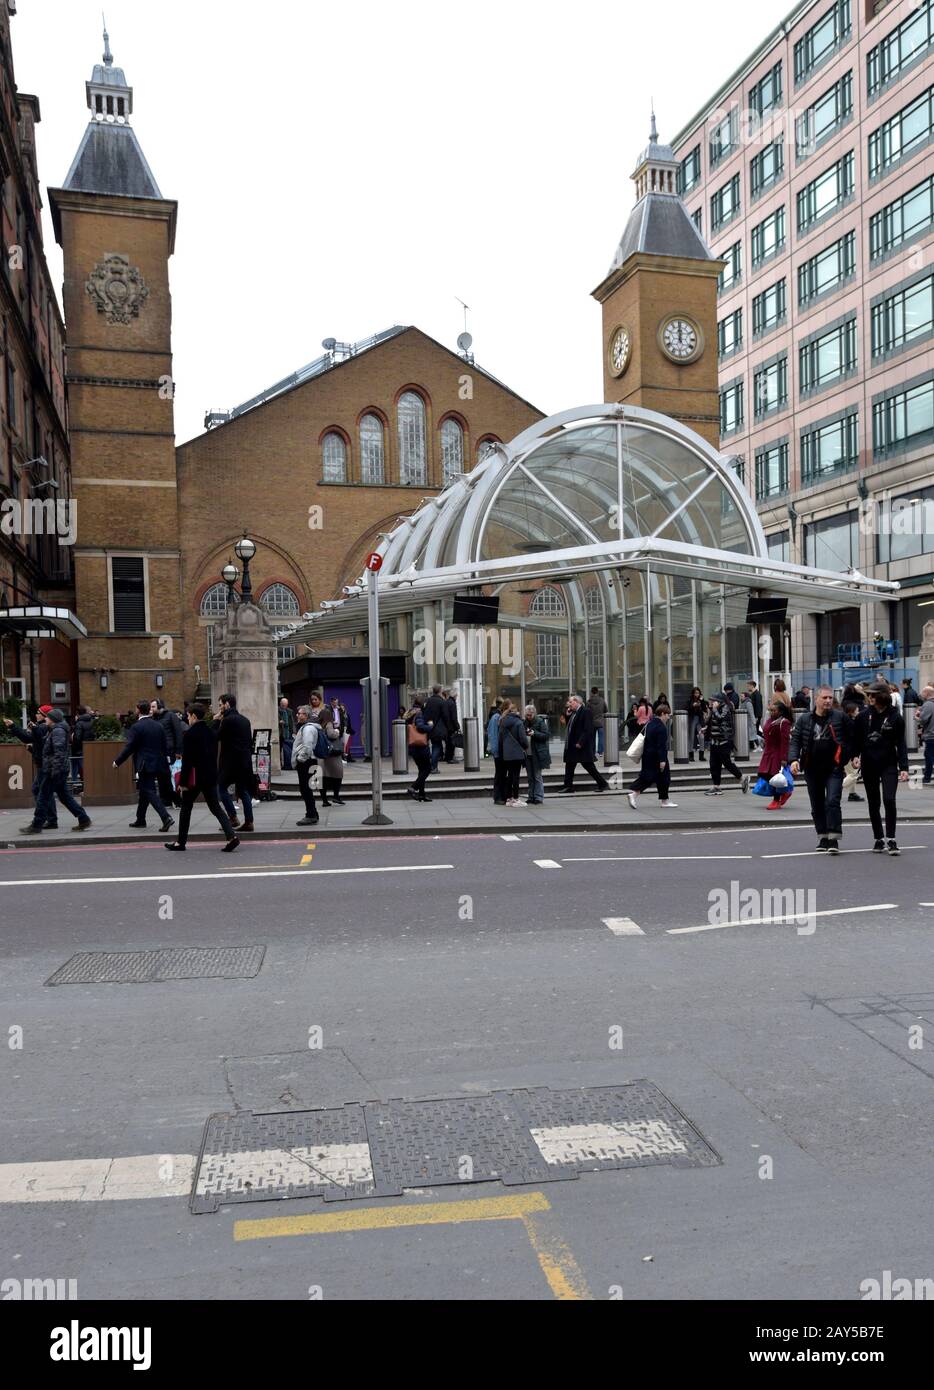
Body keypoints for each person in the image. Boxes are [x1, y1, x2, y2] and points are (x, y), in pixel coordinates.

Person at [164, 704, 239, 852]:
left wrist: (183, 782)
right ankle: (231, 836)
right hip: (210, 777)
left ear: (194, 716)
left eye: (188, 715)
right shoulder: (211, 733)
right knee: (216, 807)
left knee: (186, 808)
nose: (187, 718)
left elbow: (187, 761)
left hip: (194, 778)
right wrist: (216, 720)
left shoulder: (190, 734)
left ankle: (181, 842)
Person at [789, 684, 853, 854]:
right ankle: (822, 836)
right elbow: (795, 740)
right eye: (824, 697)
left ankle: (834, 838)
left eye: (830, 698)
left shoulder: (840, 717)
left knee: (832, 801)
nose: (828, 700)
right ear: (816, 699)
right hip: (812, 768)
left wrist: (851, 756)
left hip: (834, 768)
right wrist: (793, 759)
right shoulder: (804, 719)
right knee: (817, 804)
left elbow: (851, 737)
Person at [852, 680, 909, 855]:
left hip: (889, 764)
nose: (869, 697)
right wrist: (855, 756)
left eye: (873, 695)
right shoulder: (863, 716)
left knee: (889, 799)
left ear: (882, 696)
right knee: (874, 802)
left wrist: (904, 766)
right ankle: (878, 838)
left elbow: (901, 742)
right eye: (868, 694)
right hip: (869, 764)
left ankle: (891, 838)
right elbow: (857, 739)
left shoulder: (895, 717)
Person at [21, 708, 93, 834]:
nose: (46, 719)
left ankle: (36, 825)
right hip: (58, 769)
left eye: (48, 717)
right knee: (64, 796)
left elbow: (59, 752)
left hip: (54, 770)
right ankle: (84, 819)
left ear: (53, 719)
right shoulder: (55, 730)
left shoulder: (58, 731)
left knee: (43, 796)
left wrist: (54, 771)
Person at [115, 700, 174, 832]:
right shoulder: (158, 726)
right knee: (144, 791)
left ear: (138, 710)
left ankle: (166, 817)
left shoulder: (136, 727)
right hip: (159, 763)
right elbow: (165, 746)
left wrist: (117, 761)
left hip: (145, 764)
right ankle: (140, 819)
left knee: (149, 791)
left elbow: (129, 747)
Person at [3, 705, 57, 829]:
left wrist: (13, 726)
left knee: (39, 790)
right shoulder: (43, 727)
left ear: (45, 716)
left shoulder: (43, 727)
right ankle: (51, 819)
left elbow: (29, 737)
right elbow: (38, 742)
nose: (36, 715)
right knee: (44, 791)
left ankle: (45, 819)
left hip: (44, 764)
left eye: (39, 713)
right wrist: (33, 749)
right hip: (43, 763)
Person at [215, 694, 256, 831]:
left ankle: (232, 818)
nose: (219, 707)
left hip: (230, 761)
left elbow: (216, 737)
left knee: (221, 788)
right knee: (243, 791)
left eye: (220, 705)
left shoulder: (227, 720)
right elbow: (249, 741)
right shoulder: (245, 720)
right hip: (244, 761)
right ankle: (249, 822)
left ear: (227, 704)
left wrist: (216, 720)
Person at [558, 694, 610, 794]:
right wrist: (567, 715)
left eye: (571, 702)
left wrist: (580, 742)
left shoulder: (586, 712)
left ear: (577, 702)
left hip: (581, 745)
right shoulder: (574, 713)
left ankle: (602, 783)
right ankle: (568, 786)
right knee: (570, 765)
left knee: (589, 766)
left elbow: (588, 729)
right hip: (573, 744)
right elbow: (571, 726)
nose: (569, 704)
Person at [627, 703, 676, 809]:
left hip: (647, 756)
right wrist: (662, 760)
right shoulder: (661, 728)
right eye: (667, 715)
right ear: (662, 714)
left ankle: (664, 801)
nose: (668, 717)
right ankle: (633, 794)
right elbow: (661, 746)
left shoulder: (650, 723)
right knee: (650, 778)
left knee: (660, 778)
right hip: (657, 757)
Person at [703, 693, 749, 797]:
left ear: (718, 702)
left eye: (712, 700)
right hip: (715, 742)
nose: (710, 702)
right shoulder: (714, 710)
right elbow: (712, 723)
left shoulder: (725, 709)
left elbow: (720, 719)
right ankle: (716, 787)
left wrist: (714, 710)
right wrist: (705, 729)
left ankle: (742, 778)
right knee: (714, 765)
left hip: (724, 742)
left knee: (727, 763)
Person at [758, 698, 793, 810]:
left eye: (775, 711)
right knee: (763, 774)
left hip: (777, 753)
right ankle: (785, 792)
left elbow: (785, 741)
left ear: (781, 712)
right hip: (768, 752)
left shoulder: (784, 722)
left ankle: (776, 799)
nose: (772, 712)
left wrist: (784, 758)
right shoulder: (770, 720)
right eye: (771, 710)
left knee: (775, 776)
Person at [310, 696, 345, 805]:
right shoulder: (329, 724)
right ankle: (336, 796)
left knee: (322, 778)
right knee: (338, 775)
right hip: (332, 756)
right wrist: (337, 732)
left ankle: (324, 800)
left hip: (321, 755)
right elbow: (331, 735)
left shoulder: (317, 725)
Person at [150, 698, 185, 808]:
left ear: (160, 706)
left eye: (153, 707)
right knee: (162, 777)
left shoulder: (170, 716)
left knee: (170, 777)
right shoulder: (154, 719)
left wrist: (178, 750)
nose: (151, 709)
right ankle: (166, 800)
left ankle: (176, 800)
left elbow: (178, 733)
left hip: (170, 752)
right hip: (159, 752)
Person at [291, 705, 320, 825]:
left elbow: (308, 746)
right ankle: (313, 813)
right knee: (306, 789)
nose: (297, 715)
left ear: (306, 715)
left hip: (306, 762)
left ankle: (311, 815)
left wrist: (300, 759)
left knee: (305, 789)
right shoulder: (306, 727)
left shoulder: (308, 729)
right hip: (308, 761)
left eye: (300, 713)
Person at [498, 699, 529, 806]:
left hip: (507, 754)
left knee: (510, 776)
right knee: (516, 776)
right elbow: (523, 739)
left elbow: (500, 739)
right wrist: (526, 746)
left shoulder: (502, 721)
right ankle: (516, 798)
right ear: (516, 711)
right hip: (517, 753)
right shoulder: (518, 722)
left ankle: (509, 799)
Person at [403, 695, 433, 802]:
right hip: (420, 746)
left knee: (422, 770)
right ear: (423, 704)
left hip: (412, 745)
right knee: (428, 768)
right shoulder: (419, 713)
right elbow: (420, 727)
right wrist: (430, 726)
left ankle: (421, 794)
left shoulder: (410, 712)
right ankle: (413, 787)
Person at [524, 703, 550, 804]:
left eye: (530, 715)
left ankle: (538, 797)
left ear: (534, 713)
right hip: (527, 753)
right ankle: (531, 796)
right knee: (530, 777)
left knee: (537, 776)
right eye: (527, 715)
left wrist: (534, 734)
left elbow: (546, 735)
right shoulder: (524, 722)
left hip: (537, 753)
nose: (528, 717)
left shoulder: (540, 722)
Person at [423, 684, 449, 773]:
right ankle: (433, 767)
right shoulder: (442, 702)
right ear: (440, 691)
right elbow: (446, 716)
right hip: (438, 728)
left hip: (430, 727)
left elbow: (425, 714)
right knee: (436, 747)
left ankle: (432, 766)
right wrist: (448, 727)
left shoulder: (428, 701)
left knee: (435, 746)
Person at [71, 705, 97, 784]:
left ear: (77, 713)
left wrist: (73, 740)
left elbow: (77, 738)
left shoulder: (79, 723)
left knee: (77, 766)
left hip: (78, 749)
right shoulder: (91, 721)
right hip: (88, 747)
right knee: (86, 767)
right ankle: (88, 784)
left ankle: (75, 784)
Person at [487, 701, 506, 804]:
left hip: (500, 750)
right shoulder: (496, 718)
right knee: (499, 774)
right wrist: (495, 751)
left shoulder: (497, 717)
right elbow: (494, 736)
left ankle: (501, 796)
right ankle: (498, 797)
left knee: (501, 774)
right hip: (498, 751)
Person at [685, 687, 708, 761]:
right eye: (695, 693)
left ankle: (701, 755)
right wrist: (693, 706)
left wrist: (702, 700)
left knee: (701, 736)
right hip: (692, 719)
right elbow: (686, 708)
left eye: (698, 693)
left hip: (700, 720)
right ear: (693, 693)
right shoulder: (689, 700)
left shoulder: (701, 700)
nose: (697, 694)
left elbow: (705, 709)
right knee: (691, 737)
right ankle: (690, 755)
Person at [918, 685, 934, 786]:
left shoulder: (928, 704)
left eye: (923, 692)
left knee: (929, 757)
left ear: (927, 693)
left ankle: (927, 778)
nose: (921, 694)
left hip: (931, 735)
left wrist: (917, 717)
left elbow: (923, 720)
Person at [588, 687, 608, 755]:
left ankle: (593, 751)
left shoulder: (589, 701)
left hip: (592, 722)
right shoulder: (602, 700)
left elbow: (586, 711)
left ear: (591, 692)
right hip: (600, 722)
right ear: (597, 692)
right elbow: (606, 710)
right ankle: (600, 752)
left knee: (592, 737)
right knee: (601, 737)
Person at [278, 697, 295, 770]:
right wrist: (279, 722)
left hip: (288, 733)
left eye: (285, 705)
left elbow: (292, 722)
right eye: (283, 705)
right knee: (280, 750)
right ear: (280, 704)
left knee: (287, 750)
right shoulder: (277, 710)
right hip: (280, 733)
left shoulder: (289, 711)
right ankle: (281, 764)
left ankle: (288, 764)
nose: (284, 707)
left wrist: (294, 731)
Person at [443, 689, 460, 763]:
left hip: (446, 726)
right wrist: (457, 726)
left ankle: (447, 757)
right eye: (456, 695)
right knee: (452, 743)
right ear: (455, 696)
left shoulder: (446, 702)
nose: (457, 697)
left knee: (448, 743)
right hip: (451, 727)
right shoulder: (452, 703)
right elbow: (454, 717)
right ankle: (450, 758)